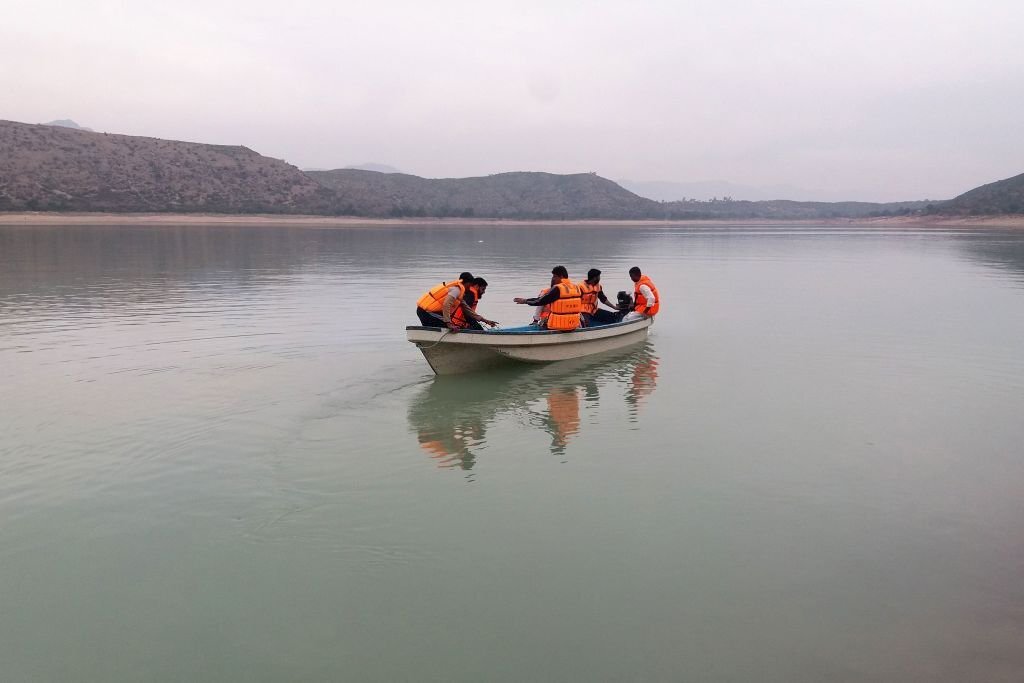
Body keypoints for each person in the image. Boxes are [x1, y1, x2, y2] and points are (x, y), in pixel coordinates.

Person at [513, 266, 582, 331]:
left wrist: (525, 301)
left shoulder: (558, 288)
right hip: (573, 325)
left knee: (543, 325)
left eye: (554, 276)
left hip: (559, 326)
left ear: (561, 277)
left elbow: (541, 301)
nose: (553, 279)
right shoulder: (576, 288)